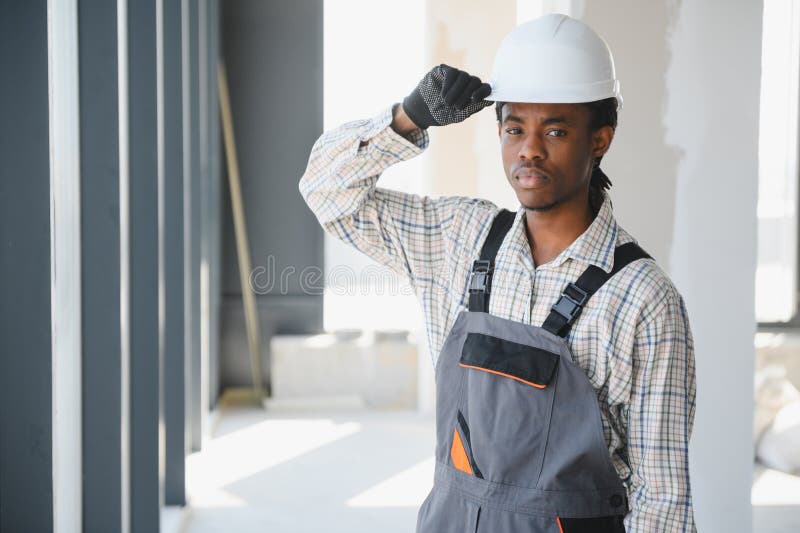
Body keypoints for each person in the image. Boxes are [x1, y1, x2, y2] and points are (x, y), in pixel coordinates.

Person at [299, 13, 696, 533]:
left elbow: (661, 499)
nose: (529, 149)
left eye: (555, 129)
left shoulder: (643, 300)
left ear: (600, 139)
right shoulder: (459, 240)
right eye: (514, 129)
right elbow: (327, 193)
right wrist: (407, 118)